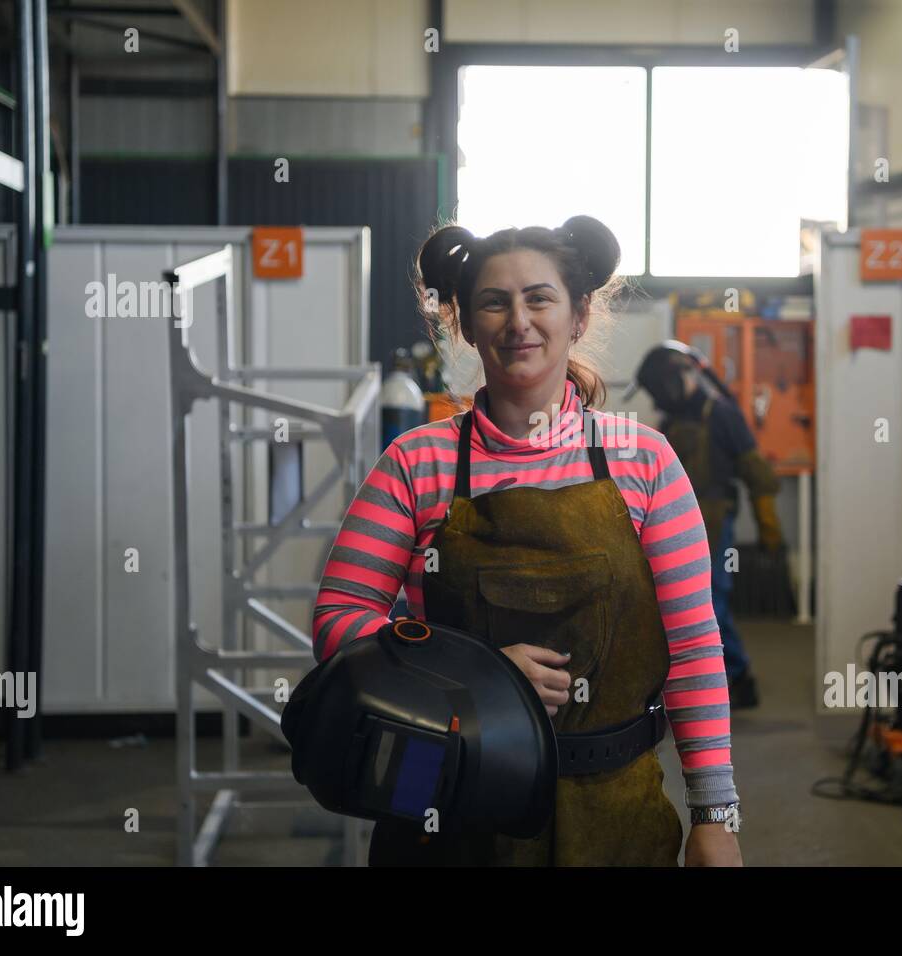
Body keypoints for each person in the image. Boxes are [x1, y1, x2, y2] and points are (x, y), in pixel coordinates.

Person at [311, 216, 742, 867]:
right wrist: (475, 675)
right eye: (494, 302)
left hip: (613, 811)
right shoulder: (416, 462)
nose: (519, 321)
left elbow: (694, 648)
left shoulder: (643, 461)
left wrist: (715, 814)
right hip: (447, 801)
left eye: (539, 297)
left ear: (577, 314)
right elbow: (336, 622)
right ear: (464, 323)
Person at [628, 341, 784, 709]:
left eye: (657, 390)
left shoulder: (722, 414)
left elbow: (758, 476)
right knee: (674, 605)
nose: (657, 400)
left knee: (711, 604)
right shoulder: (673, 421)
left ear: (673, 381)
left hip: (716, 526)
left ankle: (739, 675)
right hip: (671, 527)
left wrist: (769, 527)